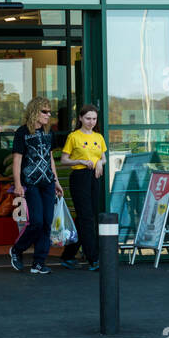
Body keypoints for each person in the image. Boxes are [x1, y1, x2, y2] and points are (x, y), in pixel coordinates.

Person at [8, 97, 63, 275]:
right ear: (35, 112)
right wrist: (17, 184)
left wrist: (56, 181)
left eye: (49, 112)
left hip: (47, 182)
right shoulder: (22, 132)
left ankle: (39, 263)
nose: (48, 115)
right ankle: (17, 249)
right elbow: (17, 159)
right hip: (30, 183)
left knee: (47, 223)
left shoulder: (49, 133)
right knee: (37, 221)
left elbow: (50, 158)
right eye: (44, 112)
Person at [58, 105, 107, 271]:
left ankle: (68, 256)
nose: (91, 122)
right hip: (79, 177)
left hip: (94, 177)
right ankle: (93, 259)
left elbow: (103, 158)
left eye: (94, 119)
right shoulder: (74, 136)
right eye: (88, 118)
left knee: (85, 217)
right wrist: (79, 161)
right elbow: (64, 160)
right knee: (87, 218)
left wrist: (100, 162)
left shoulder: (98, 137)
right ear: (80, 118)